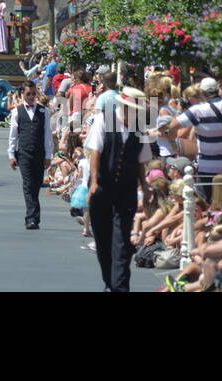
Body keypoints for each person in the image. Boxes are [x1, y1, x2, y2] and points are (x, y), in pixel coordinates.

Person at [85, 86, 154, 292]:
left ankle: (121, 286)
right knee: (103, 240)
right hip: (103, 187)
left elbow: (141, 161)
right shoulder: (104, 120)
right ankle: (110, 281)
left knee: (123, 241)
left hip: (126, 189)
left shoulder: (139, 127)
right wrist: (94, 182)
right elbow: (95, 152)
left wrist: (145, 185)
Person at [8, 80, 53, 229]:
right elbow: (13, 135)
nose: (31, 96)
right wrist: (11, 154)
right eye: (28, 94)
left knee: (37, 184)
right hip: (24, 152)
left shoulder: (43, 111)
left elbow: (47, 134)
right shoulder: (17, 111)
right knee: (28, 184)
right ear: (22, 93)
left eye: (34, 94)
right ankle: (31, 218)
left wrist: (48, 155)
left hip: (39, 153)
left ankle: (34, 216)